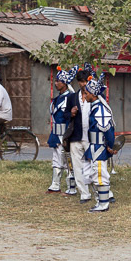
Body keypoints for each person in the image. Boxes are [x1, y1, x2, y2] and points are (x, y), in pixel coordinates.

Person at [81, 74, 115, 213]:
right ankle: (100, 201)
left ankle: (104, 204)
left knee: (100, 174)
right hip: (93, 146)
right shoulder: (95, 107)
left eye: (86, 93)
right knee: (91, 174)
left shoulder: (100, 109)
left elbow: (109, 131)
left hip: (99, 147)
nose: (84, 95)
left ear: (93, 94)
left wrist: (111, 146)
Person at [47, 66, 78, 194]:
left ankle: (71, 186)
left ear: (64, 83)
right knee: (56, 159)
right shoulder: (56, 99)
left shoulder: (71, 97)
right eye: (55, 81)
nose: (55, 83)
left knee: (68, 160)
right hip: (56, 132)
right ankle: (55, 185)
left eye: (58, 81)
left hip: (66, 133)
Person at [64, 65, 92, 203]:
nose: (83, 84)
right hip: (76, 136)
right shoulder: (72, 97)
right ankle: (84, 194)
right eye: (81, 81)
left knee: (95, 164)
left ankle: (102, 191)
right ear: (78, 82)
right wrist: (71, 113)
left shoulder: (95, 96)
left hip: (91, 136)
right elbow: (64, 116)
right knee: (77, 166)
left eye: (86, 81)